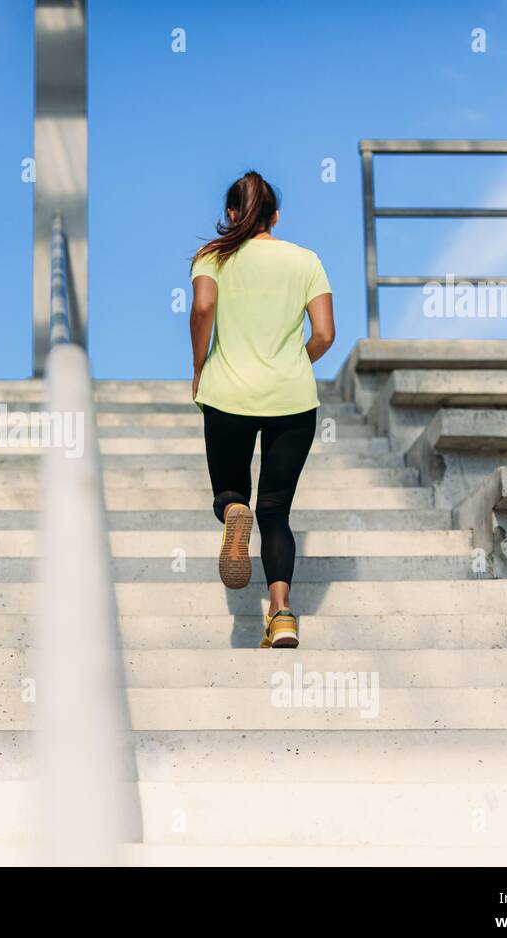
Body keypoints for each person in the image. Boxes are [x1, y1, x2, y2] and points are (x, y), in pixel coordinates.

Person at [188, 170, 335, 649]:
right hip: (292, 399)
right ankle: (282, 613)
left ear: (232, 213)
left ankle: (233, 510)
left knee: (233, 493)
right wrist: (294, 363)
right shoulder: (306, 260)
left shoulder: (213, 256)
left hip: (228, 393)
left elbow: (204, 308)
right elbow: (326, 334)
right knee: (276, 511)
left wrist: (199, 367)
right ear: (276, 216)